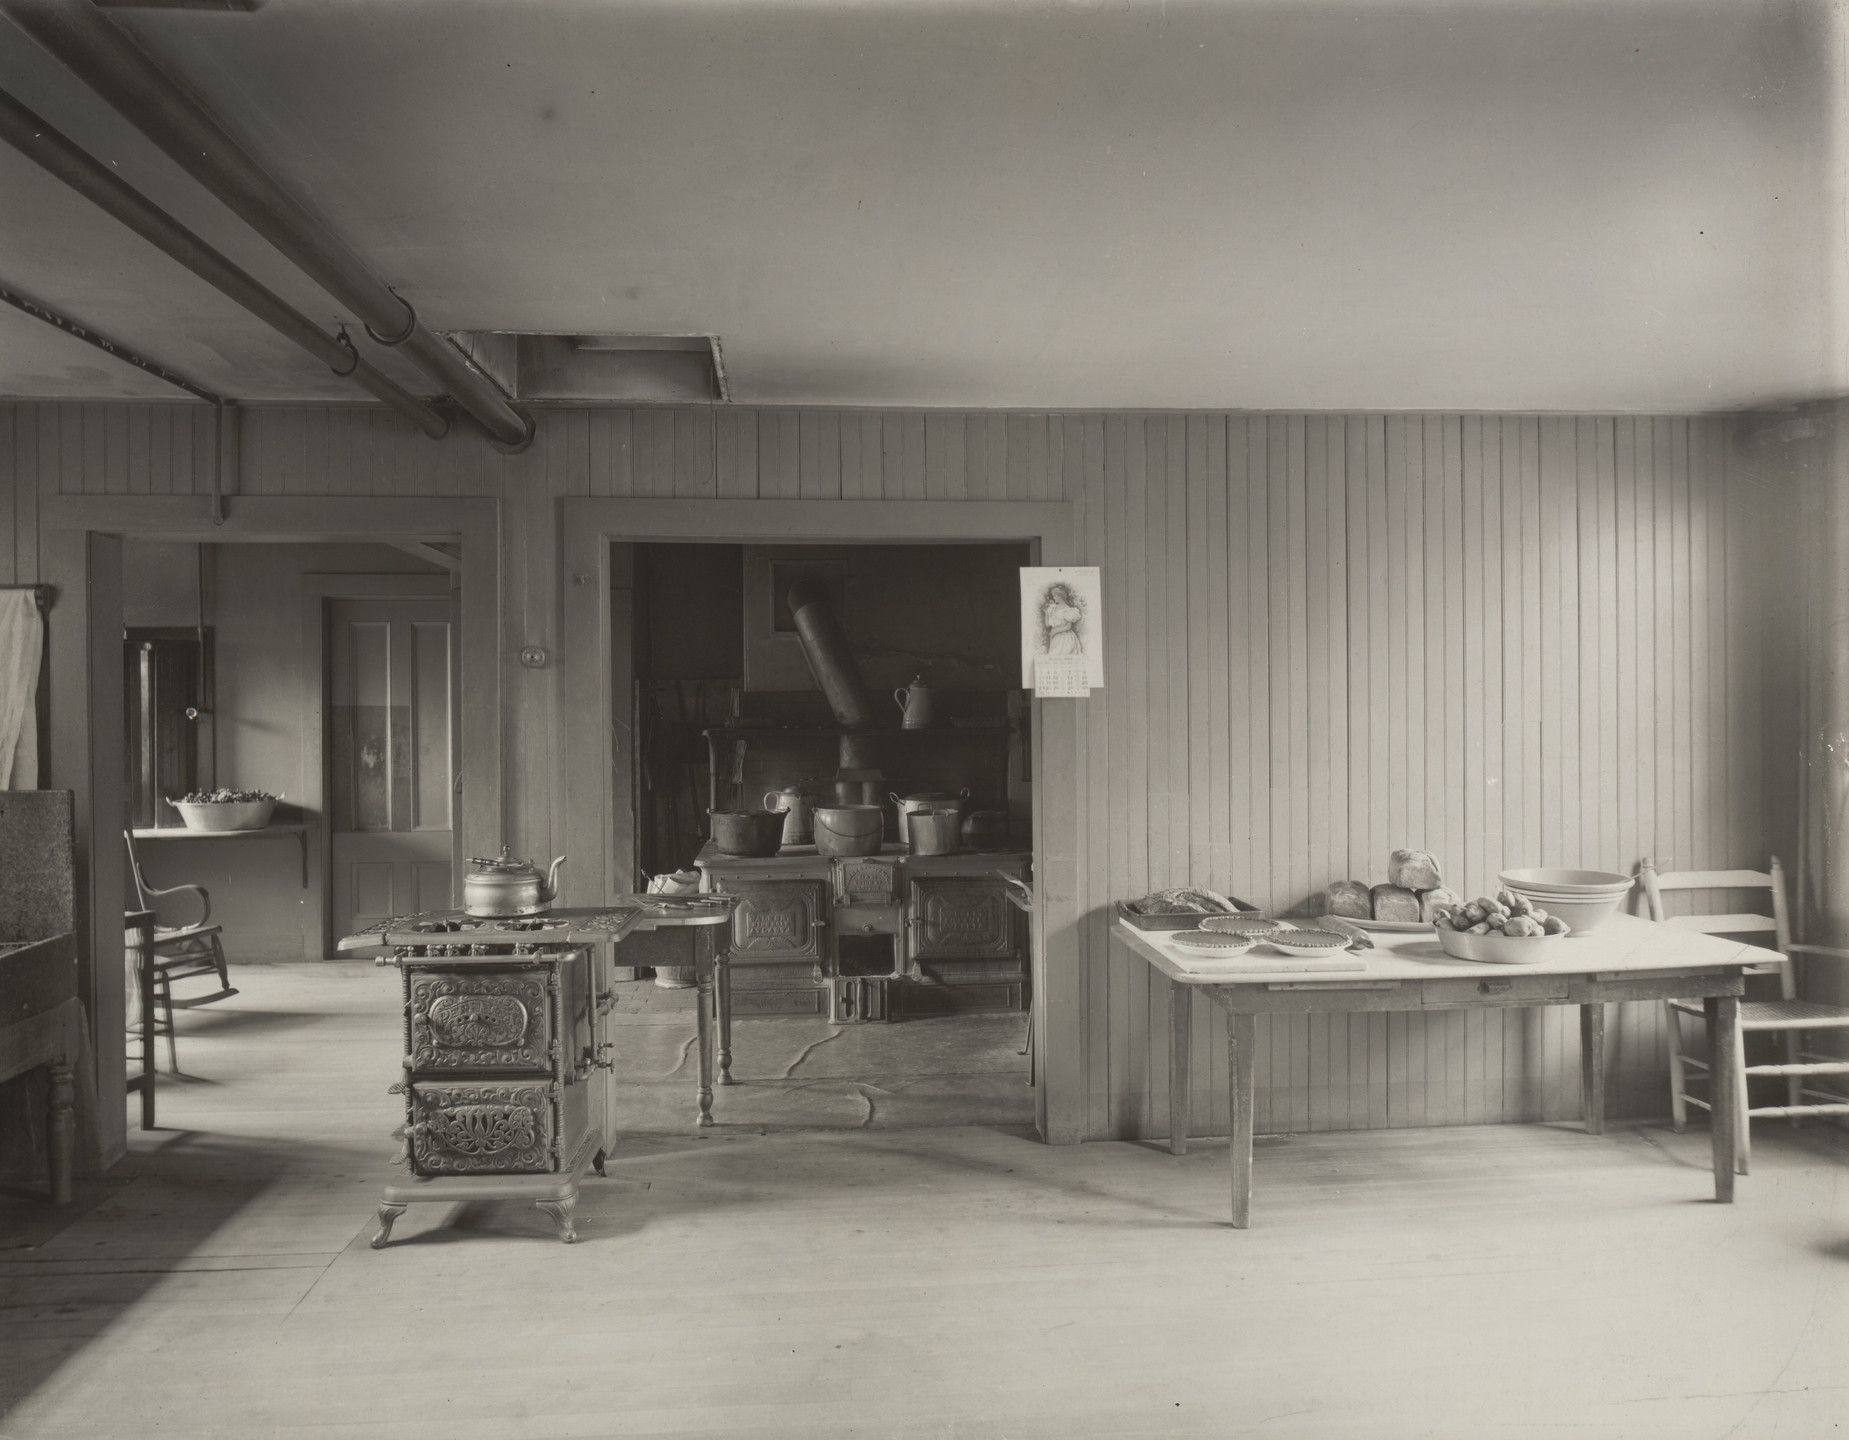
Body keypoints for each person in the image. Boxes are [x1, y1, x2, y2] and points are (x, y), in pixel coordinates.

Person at [1040, 582, 1083, 657]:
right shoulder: (1053, 608)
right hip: (1055, 638)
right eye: (1054, 596)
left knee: (1062, 657)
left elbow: (1068, 626)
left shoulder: (1068, 610)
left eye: (1055, 596)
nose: (1054, 598)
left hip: (1065, 638)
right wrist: (1046, 613)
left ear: (1060, 596)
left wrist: (1056, 631)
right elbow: (1047, 624)